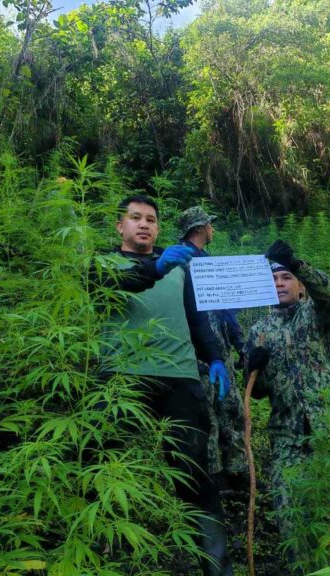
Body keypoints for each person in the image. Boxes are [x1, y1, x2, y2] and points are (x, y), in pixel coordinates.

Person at [92, 195, 233, 576]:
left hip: (180, 378)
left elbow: (197, 318)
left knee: (195, 474)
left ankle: (215, 567)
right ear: (119, 226)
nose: (144, 224)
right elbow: (119, 283)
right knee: (109, 470)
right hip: (122, 376)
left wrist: (215, 357)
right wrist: (156, 267)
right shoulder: (101, 264)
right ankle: (106, 559)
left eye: (151, 220)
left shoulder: (179, 270)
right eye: (134, 218)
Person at [243, 239, 330, 565]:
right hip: (288, 439)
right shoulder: (258, 331)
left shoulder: (315, 315)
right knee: (293, 518)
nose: (279, 284)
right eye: (273, 279)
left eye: (286, 277)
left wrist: (297, 263)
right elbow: (256, 392)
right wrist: (250, 369)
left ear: (300, 286)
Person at [178, 207, 248, 491]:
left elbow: (226, 310)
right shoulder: (181, 263)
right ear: (199, 228)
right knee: (208, 411)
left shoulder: (207, 262)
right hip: (199, 351)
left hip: (220, 350)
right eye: (210, 225)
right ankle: (214, 477)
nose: (213, 230)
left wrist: (239, 343)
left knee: (229, 408)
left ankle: (237, 471)